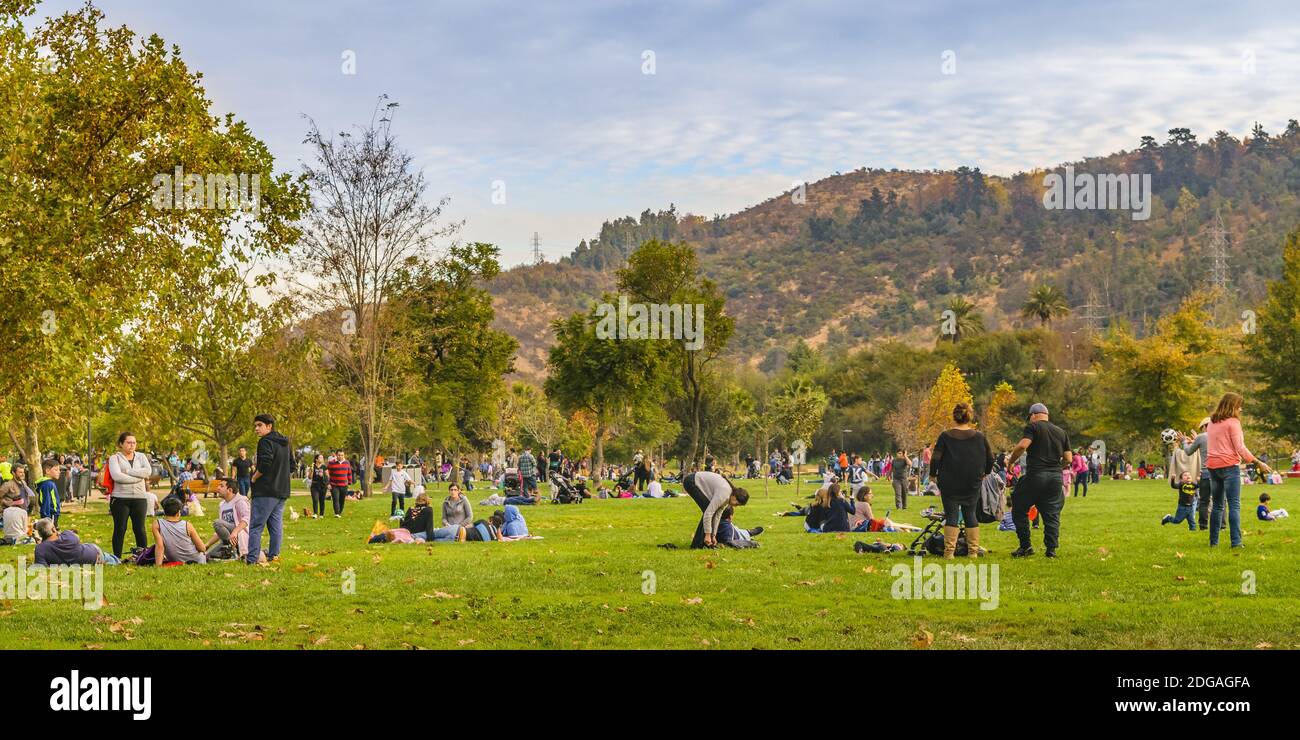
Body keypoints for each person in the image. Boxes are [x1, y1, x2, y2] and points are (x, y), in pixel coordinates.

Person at [1205, 392, 1272, 548]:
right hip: (1229, 467)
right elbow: (1240, 448)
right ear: (1232, 406)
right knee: (1234, 505)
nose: (1240, 409)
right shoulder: (1233, 422)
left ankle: (1213, 543)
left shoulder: (1212, 423)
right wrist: (1257, 462)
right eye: (1239, 406)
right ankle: (1236, 542)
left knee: (1217, 506)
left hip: (1213, 467)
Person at [930, 402, 995, 558]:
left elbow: (936, 458)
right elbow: (990, 458)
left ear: (955, 416)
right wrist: (985, 472)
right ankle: (973, 552)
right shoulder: (979, 437)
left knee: (951, 515)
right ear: (970, 416)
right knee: (970, 514)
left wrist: (933, 474)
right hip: (972, 482)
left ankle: (949, 553)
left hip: (949, 482)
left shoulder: (945, 436)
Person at [1008, 403, 1071, 558]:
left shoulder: (1033, 427)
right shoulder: (1061, 432)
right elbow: (1068, 458)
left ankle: (1025, 547)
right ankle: (1051, 550)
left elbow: (1023, 446)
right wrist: (1056, 467)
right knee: (1052, 513)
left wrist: (1011, 461)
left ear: (1033, 415)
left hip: (1036, 474)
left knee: (1019, 507)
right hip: (1055, 477)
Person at [246, 414, 290, 565]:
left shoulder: (265, 441)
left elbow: (264, 464)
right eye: (255, 426)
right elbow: (292, 465)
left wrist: (254, 478)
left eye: (259, 425)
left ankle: (252, 559)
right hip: (282, 490)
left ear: (269, 426)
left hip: (265, 490)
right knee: (275, 525)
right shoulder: (285, 442)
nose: (256, 429)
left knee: (256, 526)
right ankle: (274, 555)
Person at [108, 432, 154, 560]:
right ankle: (116, 558)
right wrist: (138, 478)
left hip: (140, 497)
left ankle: (142, 557)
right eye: (128, 442)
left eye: (134, 442)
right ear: (121, 444)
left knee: (139, 528)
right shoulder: (114, 458)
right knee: (120, 528)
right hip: (120, 498)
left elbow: (148, 471)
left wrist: (128, 472)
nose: (132, 445)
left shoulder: (141, 457)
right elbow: (117, 476)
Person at [682, 469, 749, 548]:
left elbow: (717, 516)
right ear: (734, 496)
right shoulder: (724, 494)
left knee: (712, 512)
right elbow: (709, 513)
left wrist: (713, 535)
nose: (735, 506)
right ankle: (697, 545)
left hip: (694, 481)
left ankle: (702, 542)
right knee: (708, 510)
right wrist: (707, 534)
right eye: (736, 504)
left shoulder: (728, 498)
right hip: (691, 481)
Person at [33, 519, 118, 565]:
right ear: (53, 529)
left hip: (89, 557)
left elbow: (41, 566)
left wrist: (40, 543)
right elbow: (76, 537)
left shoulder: (40, 549)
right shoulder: (68, 535)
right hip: (94, 555)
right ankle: (119, 560)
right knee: (109, 557)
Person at [152, 496, 207, 565]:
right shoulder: (187, 525)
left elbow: (160, 546)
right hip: (197, 560)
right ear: (178, 513)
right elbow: (202, 548)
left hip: (175, 561)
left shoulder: (157, 524)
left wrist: (158, 566)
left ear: (164, 511)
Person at [205, 478, 250, 559]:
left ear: (229, 490)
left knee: (217, 522)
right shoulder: (222, 505)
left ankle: (233, 551)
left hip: (240, 537)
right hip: (229, 540)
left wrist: (235, 532)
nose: (218, 488)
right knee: (207, 557)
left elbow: (247, 519)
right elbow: (220, 530)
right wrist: (207, 544)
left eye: (221, 486)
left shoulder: (240, 501)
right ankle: (230, 550)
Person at [35, 459, 61, 527]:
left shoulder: (49, 483)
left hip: (53, 515)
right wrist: (46, 518)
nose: (59, 472)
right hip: (50, 515)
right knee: (50, 534)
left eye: (59, 470)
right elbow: (46, 501)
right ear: (47, 471)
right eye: (56, 470)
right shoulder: (47, 484)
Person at [327, 450, 353, 517]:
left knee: (342, 500)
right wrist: (328, 483)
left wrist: (349, 482)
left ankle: (339, 512)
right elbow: (327, 474)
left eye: (342, 455)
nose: (340, 456)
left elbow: (349, 473)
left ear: (344, 455)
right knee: (336, 499)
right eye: (339, 455)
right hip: (334, 485)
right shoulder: (331, 463)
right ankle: (337, 513)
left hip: (344, 485)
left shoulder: (347, 462)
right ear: (336, 455)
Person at [307, 453, 329, 519]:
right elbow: (310, 477)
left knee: (322, 500)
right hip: (314, 485)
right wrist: (312, 470)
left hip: (322, 485)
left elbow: (328, 477)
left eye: (322, 458)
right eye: (320, 457)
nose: (322, 459)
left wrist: (323, 476)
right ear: (316, 459)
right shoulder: (312, 466)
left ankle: (321, 514)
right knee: (315, 499)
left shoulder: (324, 467)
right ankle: (315, 513)